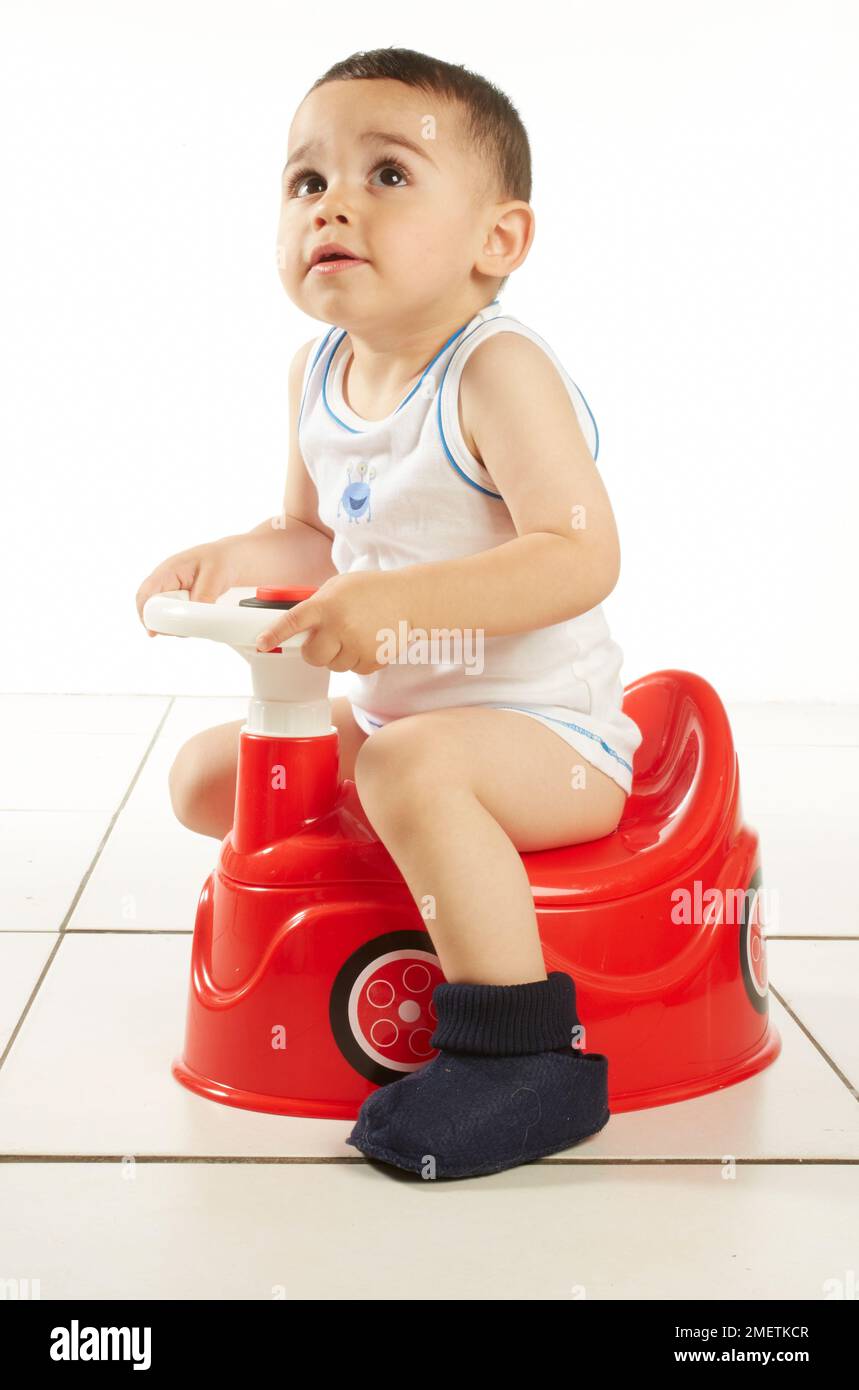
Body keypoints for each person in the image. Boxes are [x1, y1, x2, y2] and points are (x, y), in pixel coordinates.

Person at [136, 47, 643, 1180]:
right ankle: (400, 892)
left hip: (546, 736)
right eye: (307, 181)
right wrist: (230, 558)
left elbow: (579, 551)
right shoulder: (318, 371)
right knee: (213, 777)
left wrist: (397, 605)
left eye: (388, 174)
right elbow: (314, 539)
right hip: (408, 730)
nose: (336, 204)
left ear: (495, 243)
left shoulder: (495, 371)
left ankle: (526, 1055)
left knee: (406, 770)